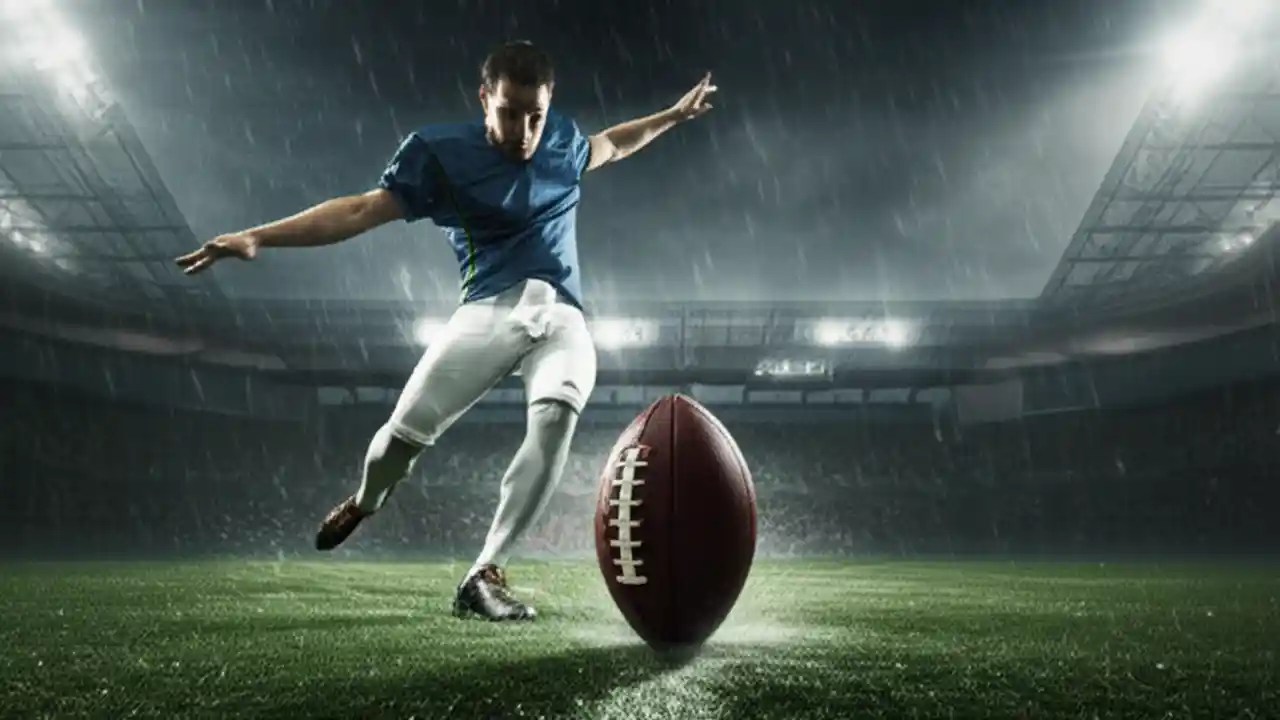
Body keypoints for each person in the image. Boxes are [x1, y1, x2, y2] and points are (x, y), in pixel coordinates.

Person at [174, 40, 716, 620]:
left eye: (535, 114)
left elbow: (611, 144)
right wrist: (260, 236)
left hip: (561, 317)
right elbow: (359, 210)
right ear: (484, 98)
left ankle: (484, 572)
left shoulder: (561, 139)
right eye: (509, 112)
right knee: (399, 443)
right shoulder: (439, 153)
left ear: (549, 103)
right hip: (488, 311)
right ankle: (366, 499)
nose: (524, 130)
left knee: (558, 414)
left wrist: (673, 116)